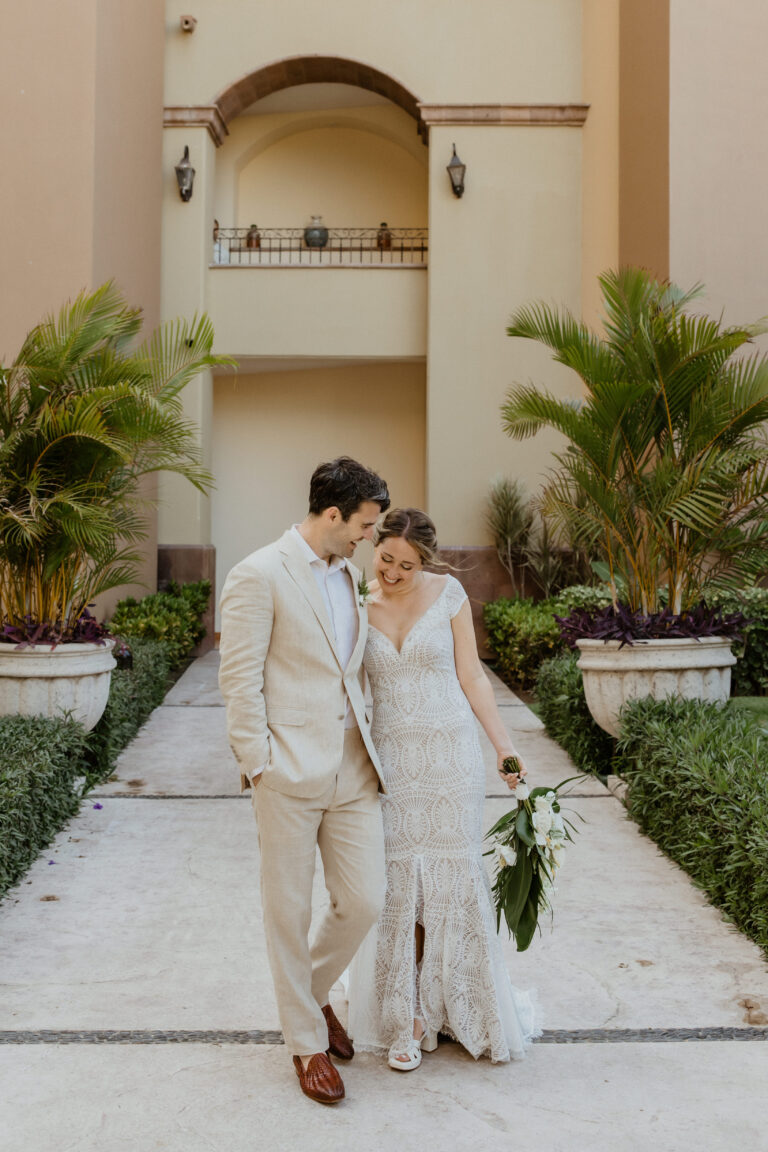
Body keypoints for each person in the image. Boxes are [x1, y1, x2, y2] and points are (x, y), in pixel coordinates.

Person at [218, 457, 390, 1105]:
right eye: (365, 526)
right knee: (287, 911)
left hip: (353, 767)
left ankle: (310, 1000)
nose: (369, 538)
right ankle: (305, 1043)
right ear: (332, 514)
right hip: (286, 770)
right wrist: (259, 762)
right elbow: (238, 678)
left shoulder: (351, 575)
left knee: (364, 900)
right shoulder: (258, 574)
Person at [347, 508, 539, 1069]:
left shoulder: (450, 594)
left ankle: (455, 1006)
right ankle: (405, 1016)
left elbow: (472, 675)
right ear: (375, 547)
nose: (394, 573)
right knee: (398, 883)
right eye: (386, 559)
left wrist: (504, 746)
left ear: (424, 562)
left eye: (407, 565)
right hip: (391, 762)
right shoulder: (354, 598)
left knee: (451, 882)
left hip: (450, 758)